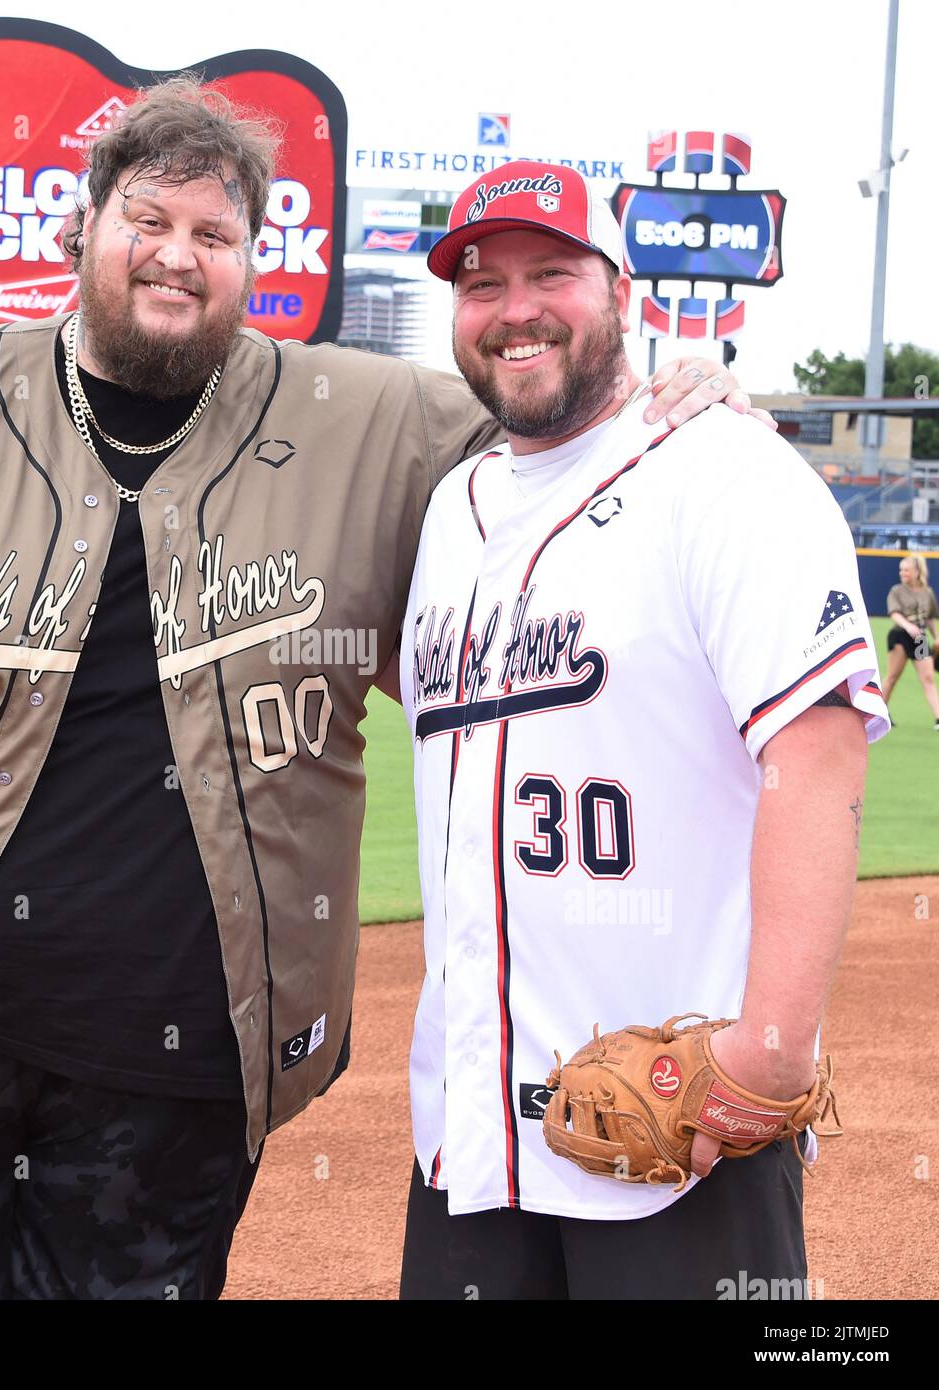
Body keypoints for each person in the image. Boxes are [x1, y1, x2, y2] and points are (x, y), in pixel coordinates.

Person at [0, 82, 759, 1301]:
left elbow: (537, 387)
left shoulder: (355, 417)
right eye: (148, 221)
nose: (176, 256)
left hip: (180, 1073)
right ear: (84, 228)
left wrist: (686, 391)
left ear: (253, 262)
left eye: (214, 236)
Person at [397, 159, 891, 1300]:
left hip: (682, 1130)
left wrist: (766, 1056)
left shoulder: (724, 474)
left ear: (619, 289)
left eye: (550, 272)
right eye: (479, 284)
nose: (512, 308)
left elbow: (813, 752)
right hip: (471, 1134)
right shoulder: (446, 511)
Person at [883, 554, 939, 728]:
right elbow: (894, 613)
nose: (902, 573)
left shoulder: (927, 592)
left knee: (928, 678)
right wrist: (908, 626)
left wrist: (936, 637)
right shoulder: (896, 591)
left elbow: (929, 617)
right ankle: (880, 714)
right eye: (901, 570)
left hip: (920, 639)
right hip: (900, 636)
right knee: (892, 677)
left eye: (906, 570)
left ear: (917, 571)